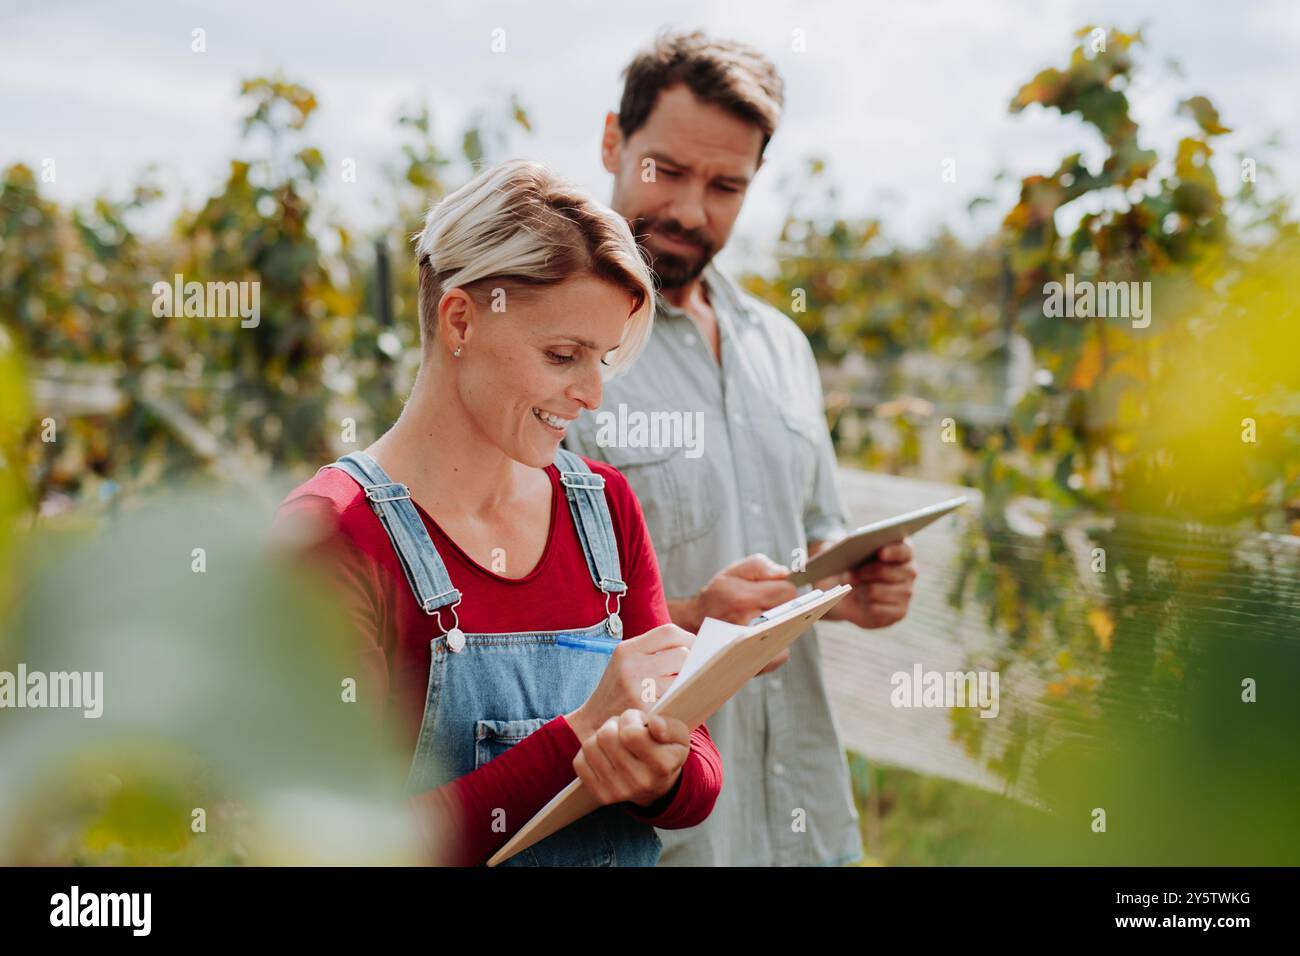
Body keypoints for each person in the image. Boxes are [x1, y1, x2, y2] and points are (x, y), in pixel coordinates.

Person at [275, 159, 722, 866]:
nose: (590, 394)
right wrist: (577, 744)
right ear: (460, 320)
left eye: (601, 359)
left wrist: (661, 771)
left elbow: (697, 766)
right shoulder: (334, 536)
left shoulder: (603, 509)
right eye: (563, 355)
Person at [564, 31, 918, 866]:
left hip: (805, 821)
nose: (692, 209)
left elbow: (816, 546)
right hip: (666, 838)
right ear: (613, 140)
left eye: (726, 185)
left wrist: (857, 586)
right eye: (668, 172)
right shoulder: (560, 348)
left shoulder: (781, 347)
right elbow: (522, 637)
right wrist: (694, 622)